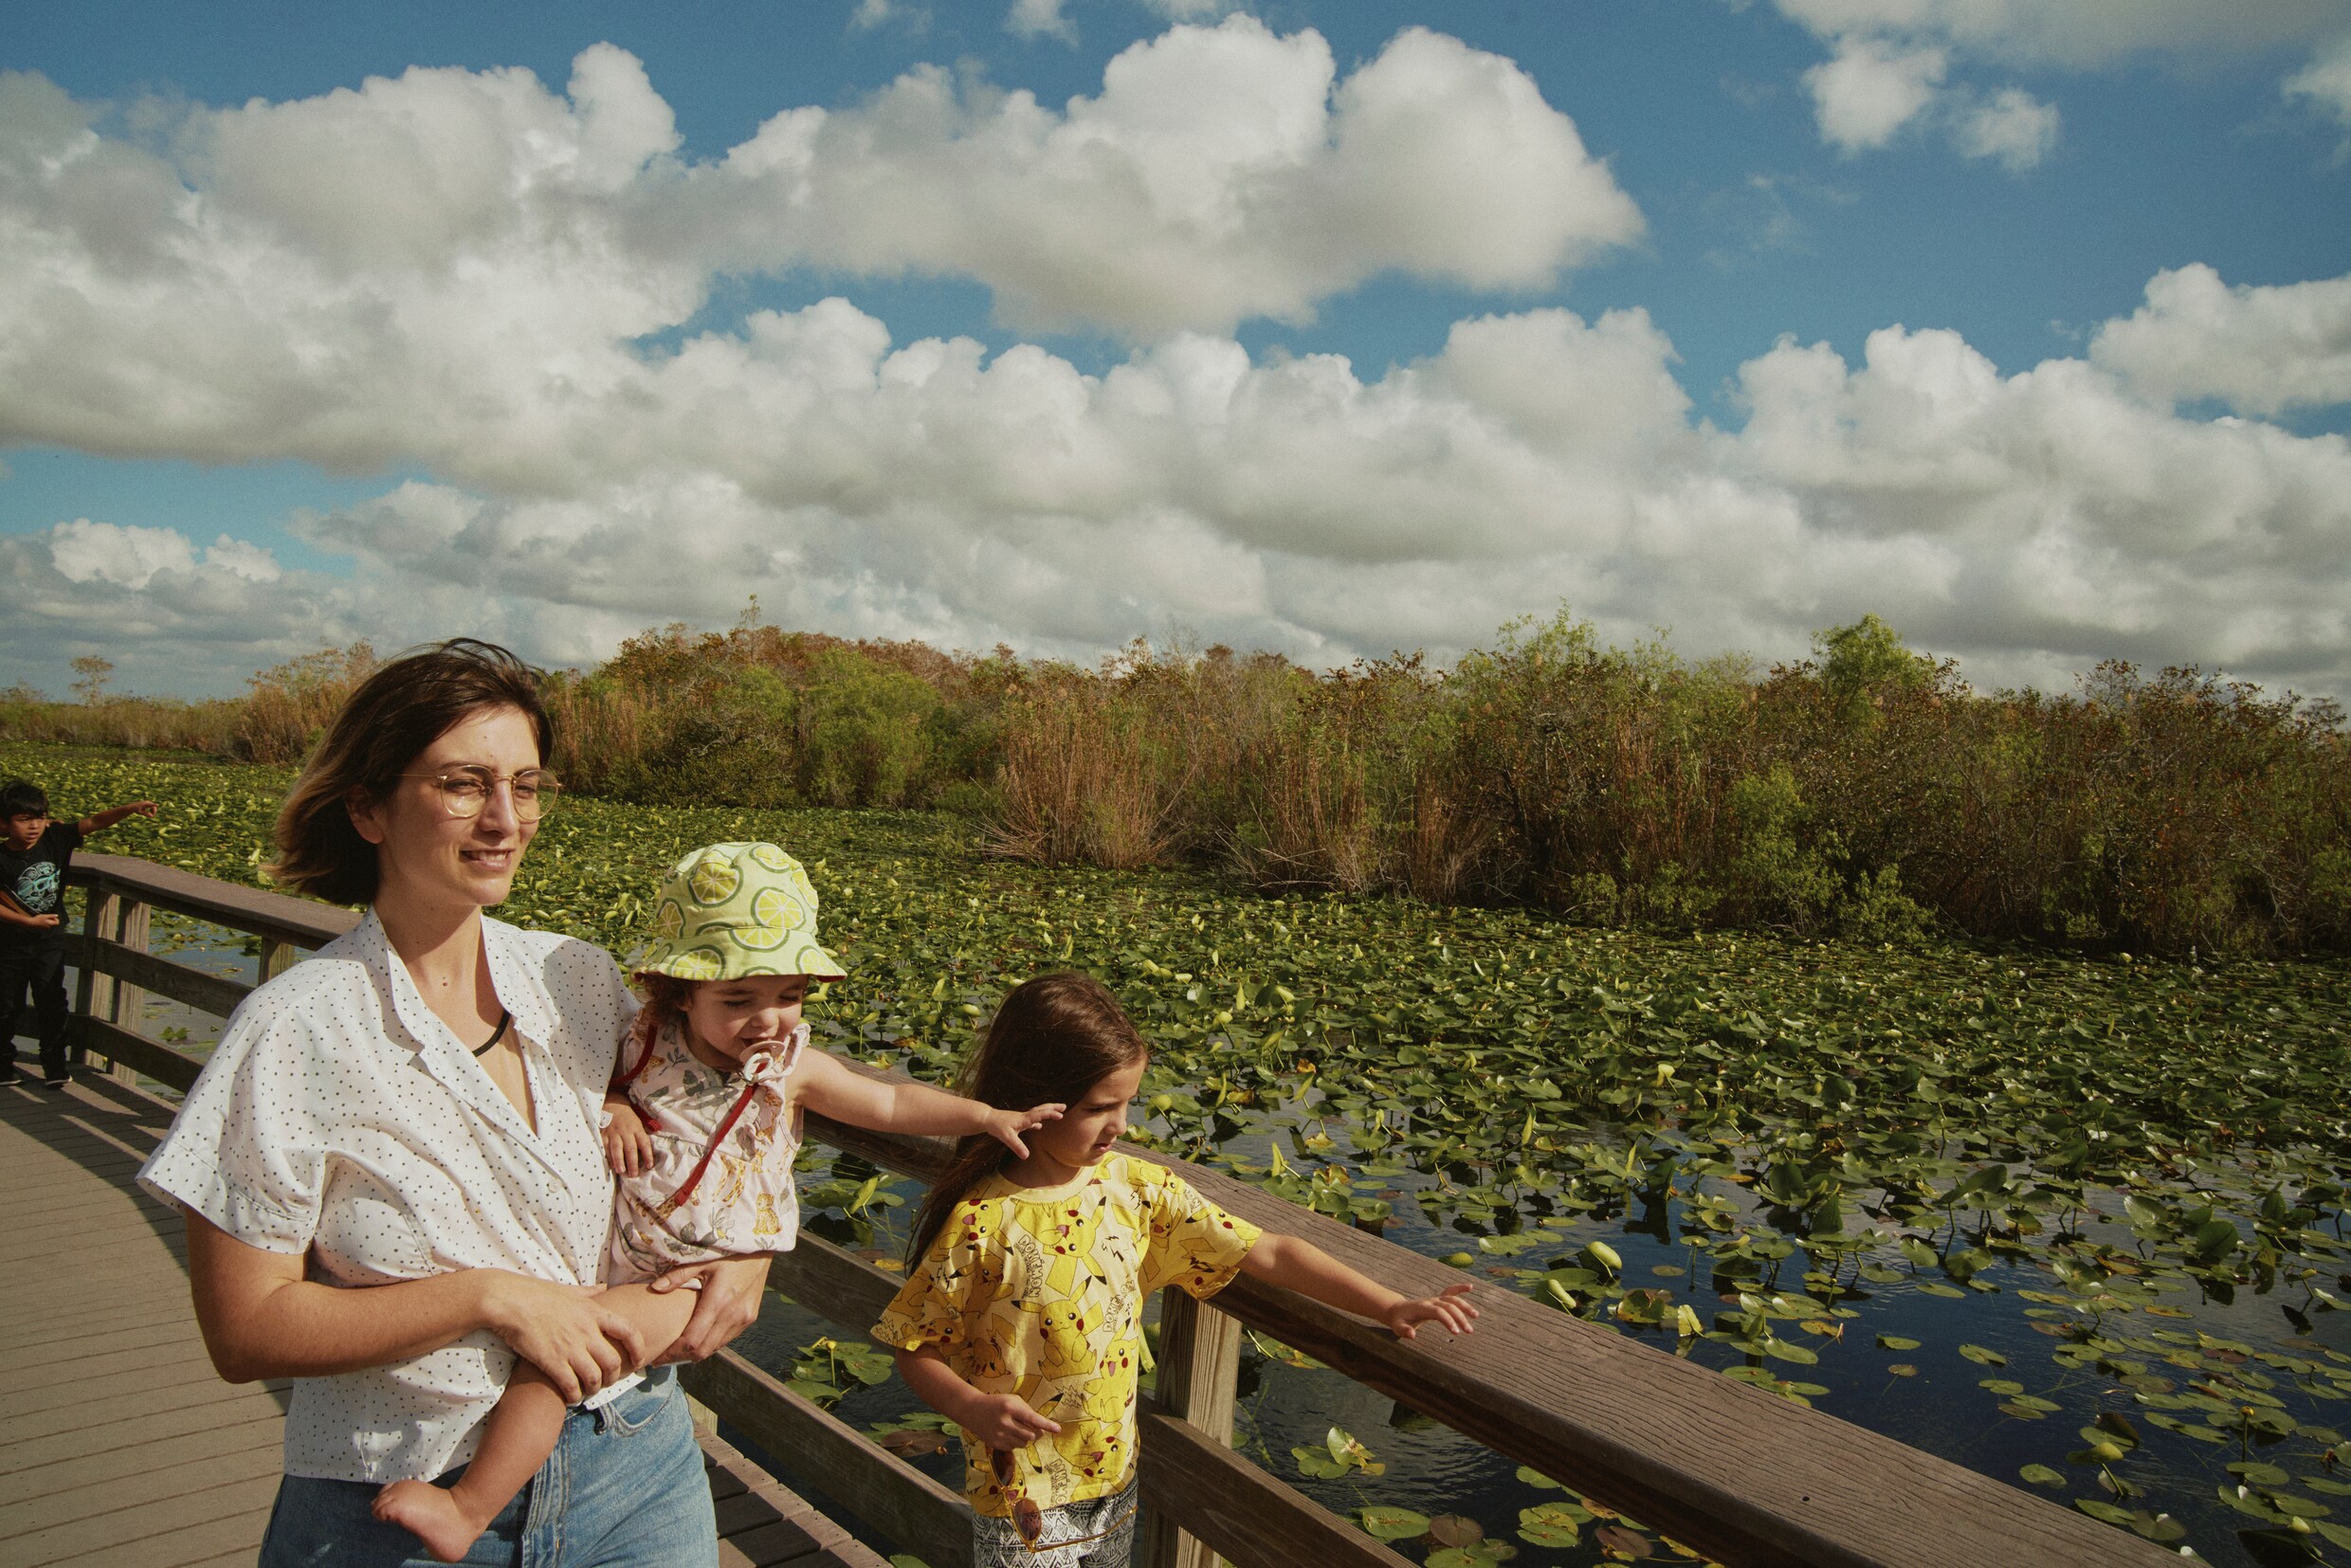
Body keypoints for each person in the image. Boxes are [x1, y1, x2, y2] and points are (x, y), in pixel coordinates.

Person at [139, 639, 761, 1568]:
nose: (505, 819)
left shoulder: (577, 978)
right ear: (368, 808)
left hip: (637, 1464)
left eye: (526, 784)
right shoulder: (294, 1030)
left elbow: (724, 1117)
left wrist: (750, 1250)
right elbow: (245, 1329)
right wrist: (490, 1299)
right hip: (396, 1496)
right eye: (464, 785)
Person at [374, 840, 1066, 1562]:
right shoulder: (644, 1043)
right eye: (738, 1001)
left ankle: (467, 1507)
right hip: (616, 1259)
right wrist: (614, 1106)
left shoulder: (791, 1071)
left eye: (788, 996)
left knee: (554, 1367)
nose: (768, 1020)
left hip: (692, 1282)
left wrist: (984, 1117)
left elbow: (890, 1103)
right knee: (562, 1355)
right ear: (682, 991)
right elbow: (596, 1085)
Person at [873, 972, 1478, 1568]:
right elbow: (916, 1346)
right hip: (1020, 1491)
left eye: (1127, 1102)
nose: (1121, 1125)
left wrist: (1389, 1304)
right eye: (1099, 1108)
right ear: (1031, 1100)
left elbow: (1269, 1252)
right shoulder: (983, 1224)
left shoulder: (1137, 1190)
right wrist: (970, 1408)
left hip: (1113, 1474)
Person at [0, 778, 157, 1085]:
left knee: (52, 1001)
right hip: (8, 944)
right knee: (6, 1006)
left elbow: (95, 822)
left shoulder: (55, 838)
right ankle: (3, 1065)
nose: (34, 826)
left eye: (40, 818)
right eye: (24, 820)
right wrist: (26, 922)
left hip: (49, 941)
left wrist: (131, 808)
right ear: (5, 823)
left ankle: (55, 1066)